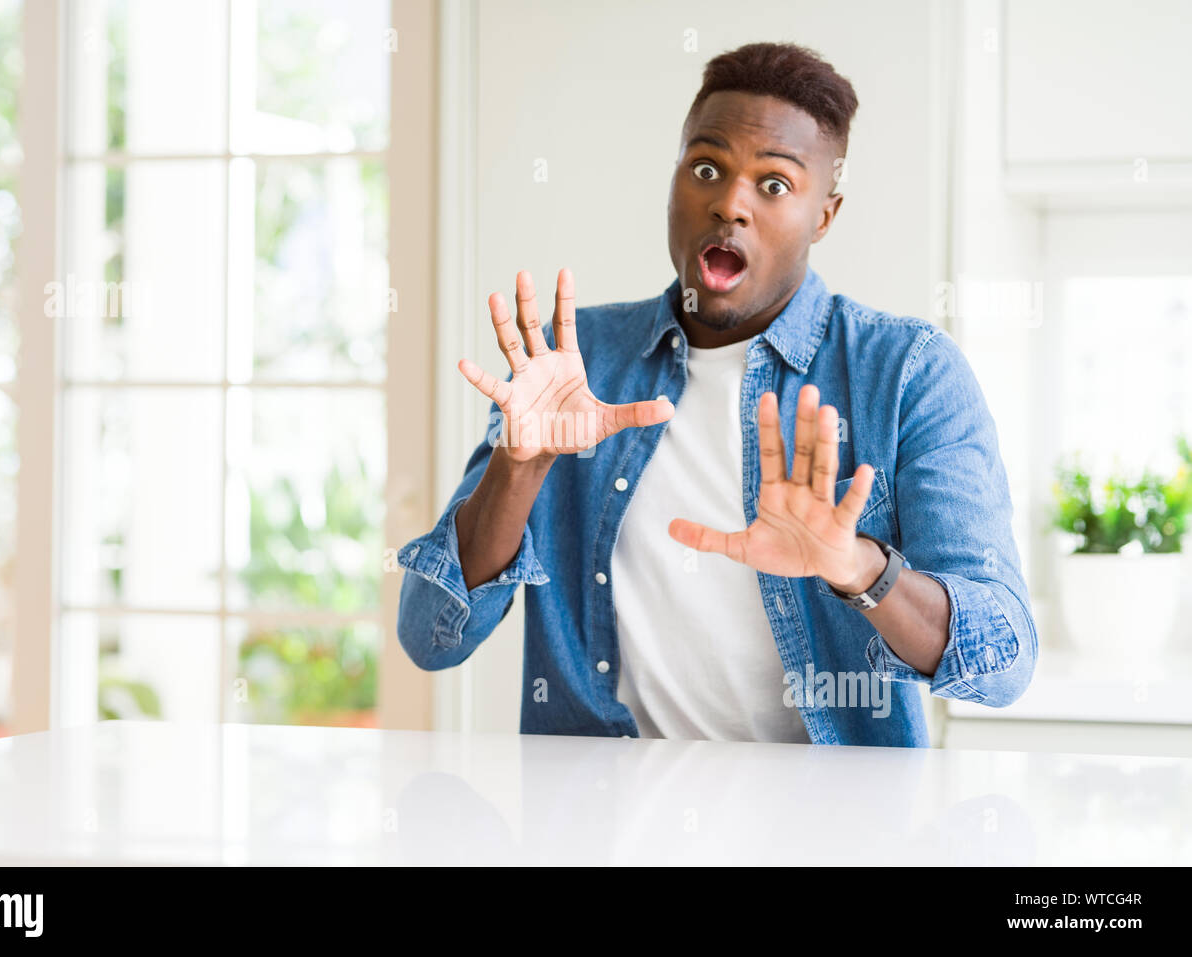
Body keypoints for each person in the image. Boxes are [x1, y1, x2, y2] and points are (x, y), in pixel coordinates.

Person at [395, 41, 1037, 746]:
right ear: (674, 182)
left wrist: (860, 570)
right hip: (598, 826)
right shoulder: (576, 365)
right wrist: (518, 471)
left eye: (775, 184)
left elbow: (1003, 658)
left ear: (825, 215)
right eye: (707, 168)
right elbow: (430, 637)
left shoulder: (910, 373)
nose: (730, 202)